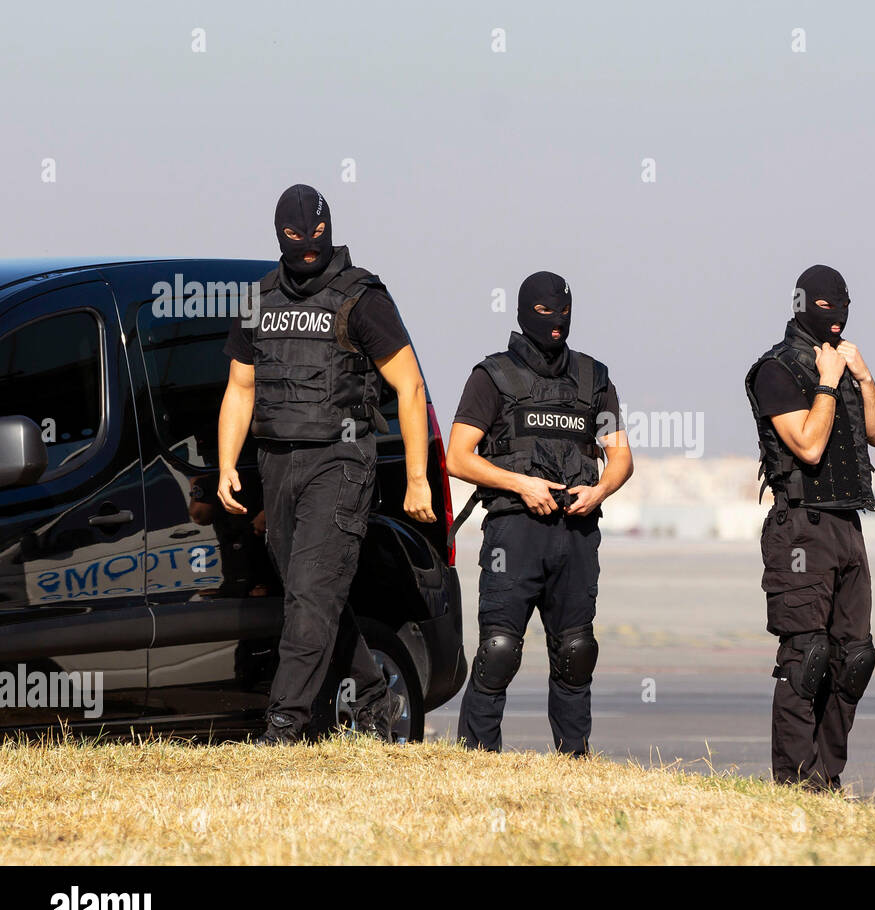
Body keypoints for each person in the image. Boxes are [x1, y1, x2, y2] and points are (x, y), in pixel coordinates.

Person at [217, 184, 435, 745]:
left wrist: (416, 480)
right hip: (277, 464)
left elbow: (408, 386)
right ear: (278, 236)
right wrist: (226, 466)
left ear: (330, 230)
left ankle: (285, 726)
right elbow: (241, 388)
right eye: (295, 238)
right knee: (309, 598)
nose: (309, 247)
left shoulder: (362, 298)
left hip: (341, 462)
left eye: (317, 236)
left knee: (312, 596)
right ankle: (371, 697)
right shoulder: (258, 300)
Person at [446, 271, 633, 756]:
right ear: (525, 312)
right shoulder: (492, 376)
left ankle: (574, 759)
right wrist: (520, 484)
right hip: (515, 532)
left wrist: (601, 491)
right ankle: (477, 759)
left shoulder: (595, 378)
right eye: (545, 313)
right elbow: (457, 456)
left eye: (563, 312)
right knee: (499, 651)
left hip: (576, 533)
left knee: (575, 652)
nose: (555, 322)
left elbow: (622, 458)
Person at [744, 264, 875, 790]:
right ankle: (792, 781)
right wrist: (828, 382)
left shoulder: (848, 365)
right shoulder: (776, 369)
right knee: (806, 658)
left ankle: (825, 781)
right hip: (800, 528)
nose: (836, 315)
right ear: (803, 305)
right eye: (826, 305)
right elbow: (806, 445)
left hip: (849, 524)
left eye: (843, 304)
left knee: (853, 659)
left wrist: (864, 378)